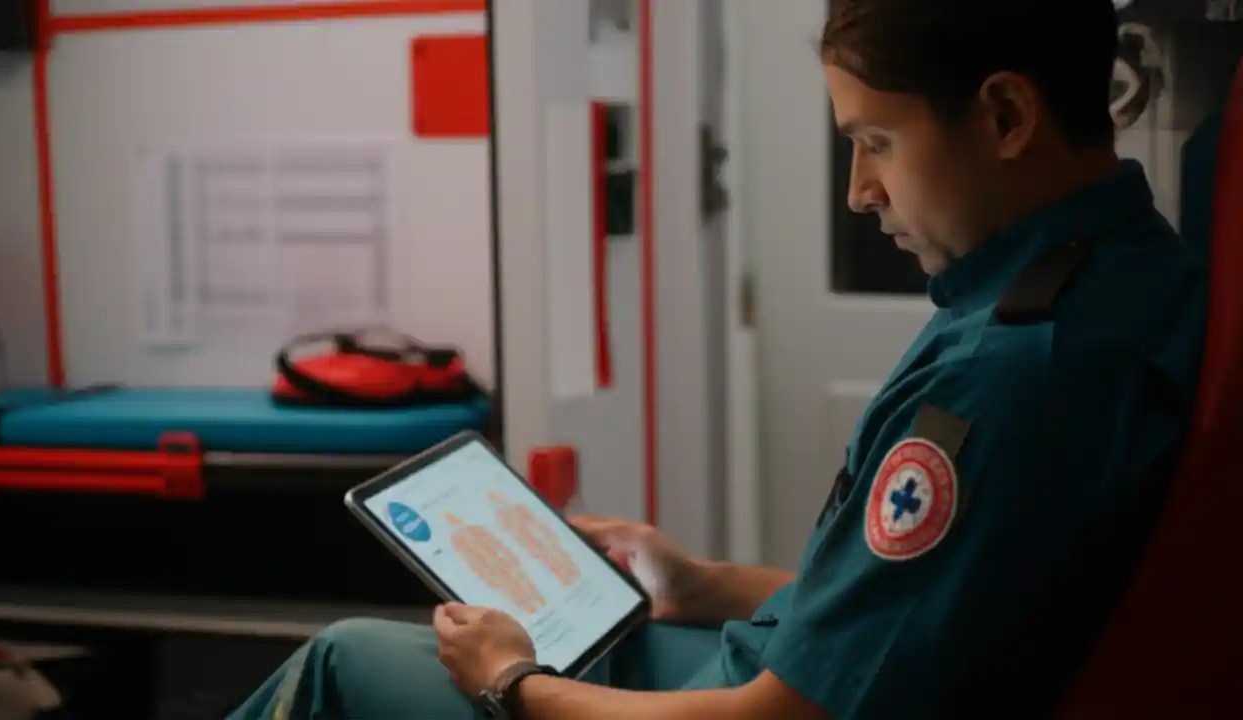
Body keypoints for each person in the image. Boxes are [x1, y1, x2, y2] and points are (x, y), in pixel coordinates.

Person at [227, 1, 1208, 717]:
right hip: (751, 667)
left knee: (344, 661)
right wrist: (703, 584)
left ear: (1003, 117)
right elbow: (926, 616)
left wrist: (512, 684)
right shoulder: (1129, 275)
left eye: (874, 141)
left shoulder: (1004, 374)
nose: (859, 192)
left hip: (739, 704)